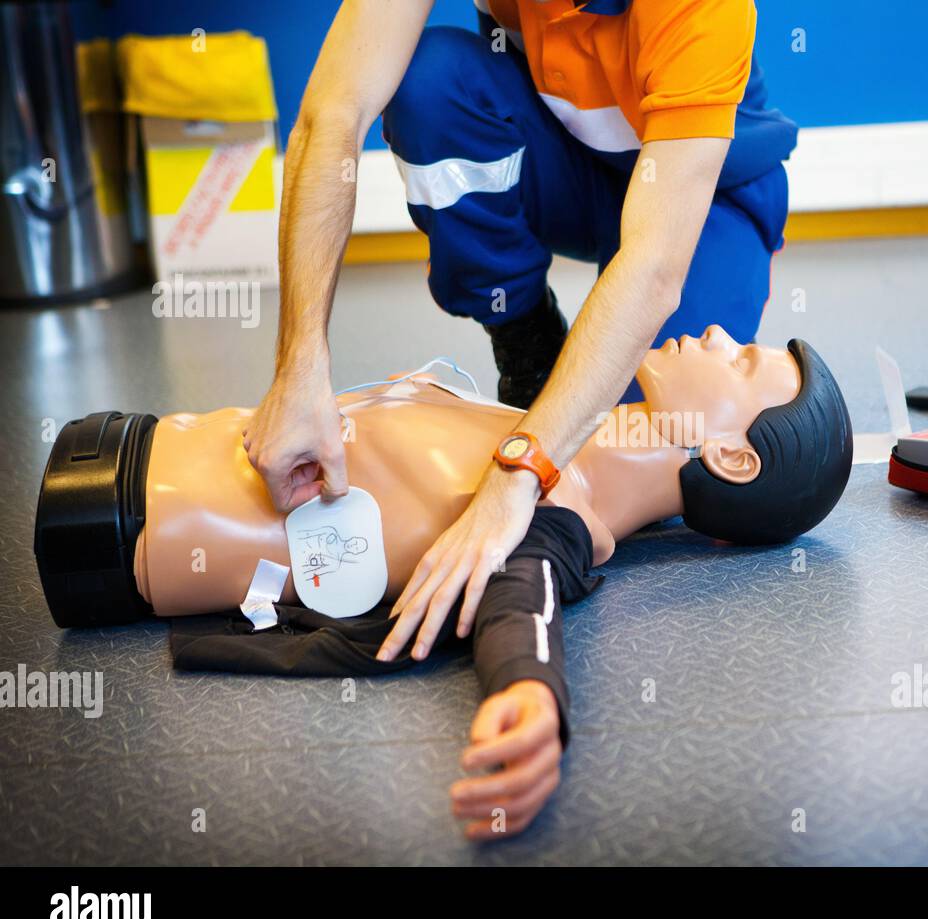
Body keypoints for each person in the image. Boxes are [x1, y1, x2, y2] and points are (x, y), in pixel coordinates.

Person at [36, 329, 852, 839]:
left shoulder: (561, 506)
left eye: (743, 360)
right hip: (134, 445)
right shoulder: (549, 430)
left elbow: (521, 600)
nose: (716, 332)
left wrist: (531, 698)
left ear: (732, 458)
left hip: (116, 525)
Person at [242, 0, 798, 662]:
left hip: (700, 193)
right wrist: (299, 364)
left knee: (639, 444)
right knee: (429, 80)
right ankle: (526, 336)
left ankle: (554, 424)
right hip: (560, 159)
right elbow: (331, 114)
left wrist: (519, 473)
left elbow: (652, 270)